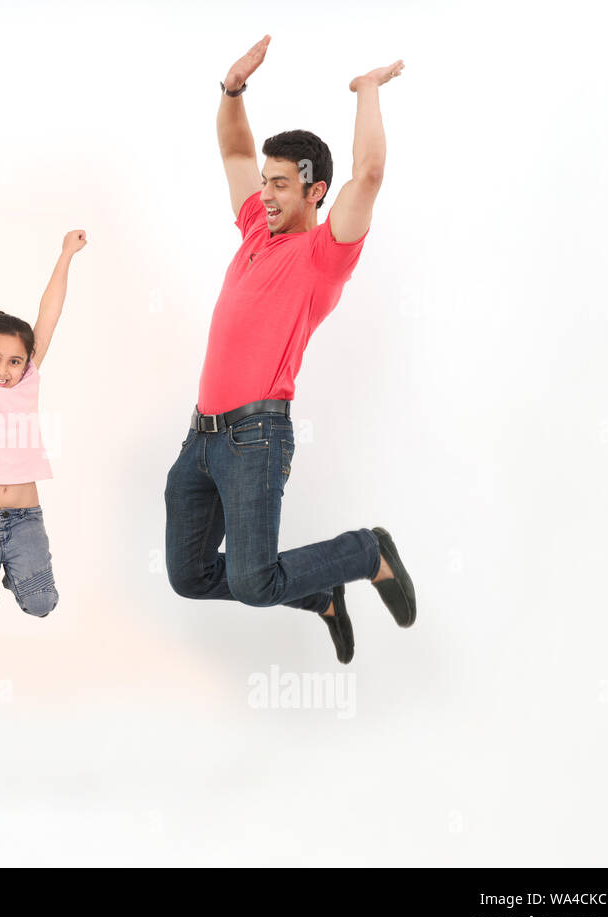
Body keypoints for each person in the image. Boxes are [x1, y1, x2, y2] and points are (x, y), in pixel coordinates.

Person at [163, 36, 415, 664]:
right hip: (200, 438)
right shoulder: (256, 225)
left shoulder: (324, 255)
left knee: (252, 581)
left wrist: (366, 91)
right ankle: (321, 595)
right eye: (267, 182)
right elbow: (234, 147)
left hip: (256, 438)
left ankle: (367, 552)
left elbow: (372, 174)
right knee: (188, 575)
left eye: (281, 184)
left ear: (315, 191)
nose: (266, 194)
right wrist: (232, 89)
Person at [0, 224, 86, 634]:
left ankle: (16, 576)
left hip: (25, 516)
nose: (2, 370)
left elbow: (49, 313)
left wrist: (65, 255)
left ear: (26, 363)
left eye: (14, 361)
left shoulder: (28, 381)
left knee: (42, 604)